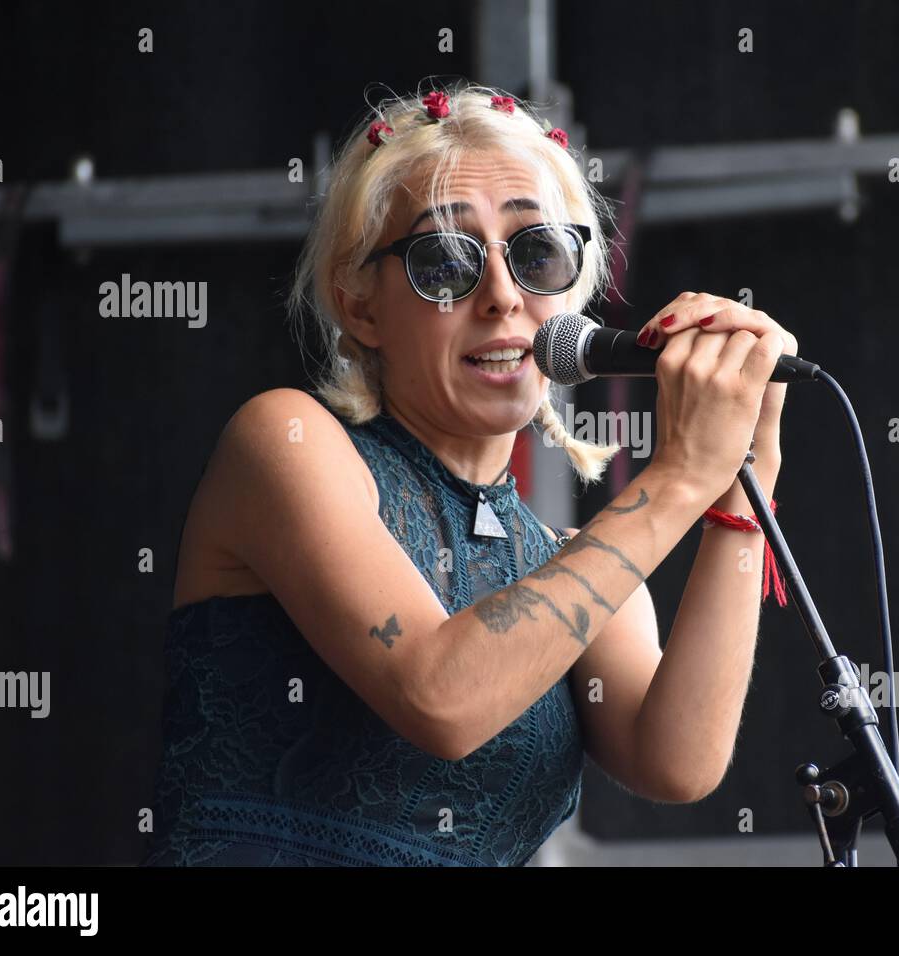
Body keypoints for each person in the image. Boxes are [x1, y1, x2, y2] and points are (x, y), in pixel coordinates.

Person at [140, 81, 798, 866]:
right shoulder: (284, 441)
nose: (500, 297)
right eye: (443, 261)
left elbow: (680, 762)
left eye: (537, 252)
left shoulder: (573, 558)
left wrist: (740, 481)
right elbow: (440, 697)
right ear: (360, 304)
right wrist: (679, 477)